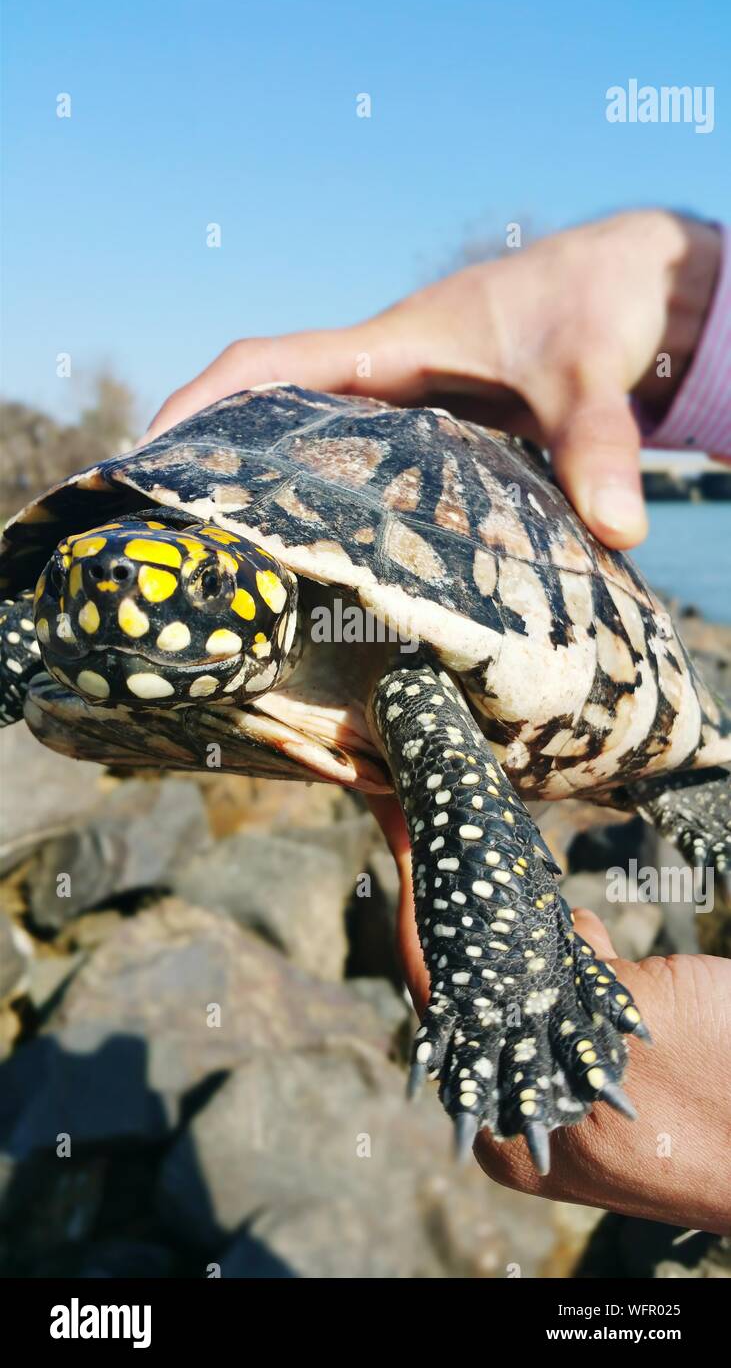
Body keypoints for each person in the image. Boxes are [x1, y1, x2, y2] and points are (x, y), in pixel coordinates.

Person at [146, 209, 731, 1233]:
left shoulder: (372, 651)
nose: (114, 595)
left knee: (421, 694)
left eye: (171, 583)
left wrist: (507, 982)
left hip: (535, 664)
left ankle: (687, 794)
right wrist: (680, 301)